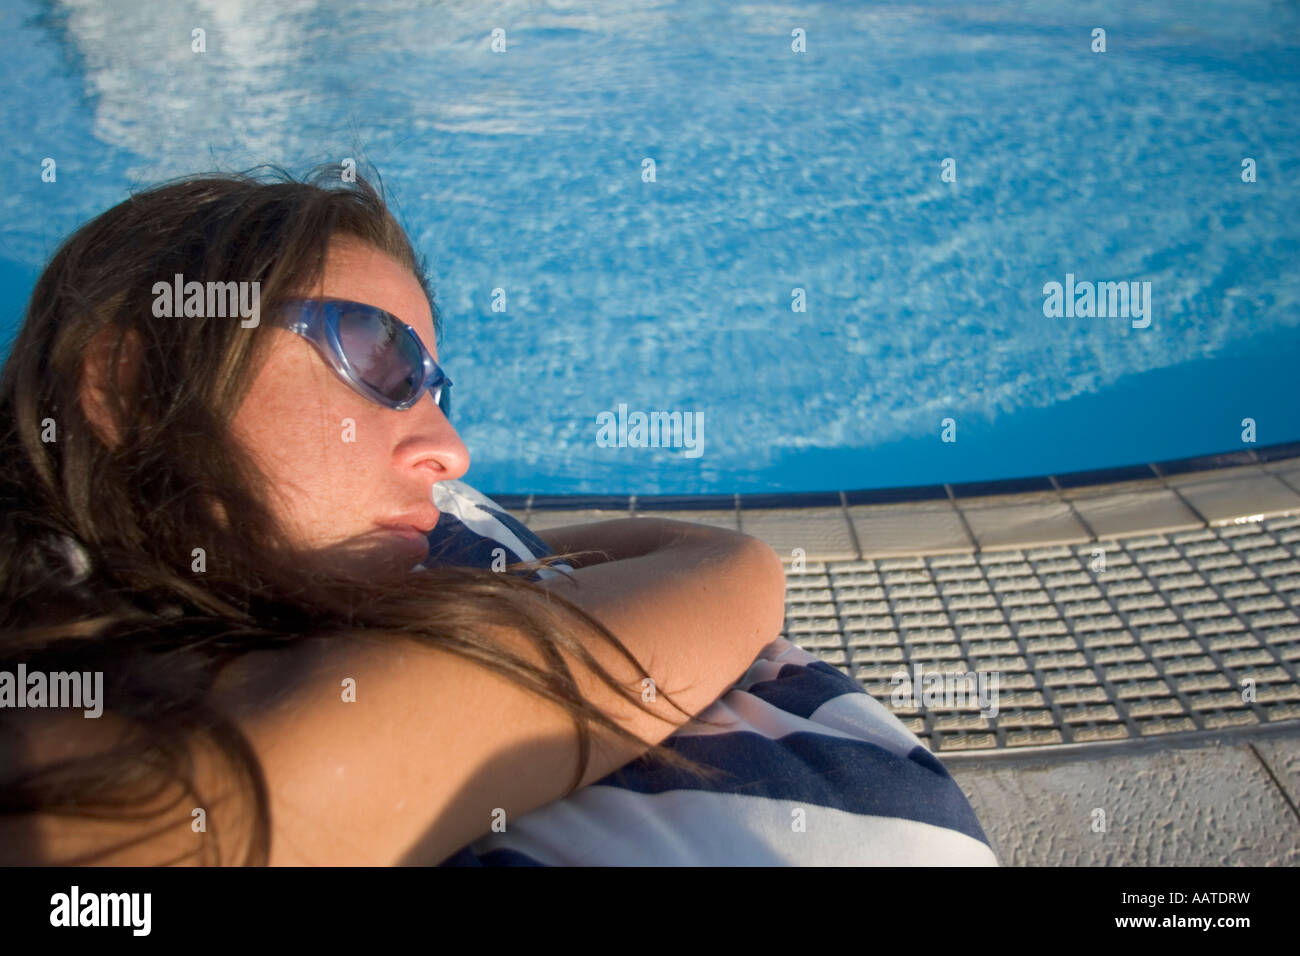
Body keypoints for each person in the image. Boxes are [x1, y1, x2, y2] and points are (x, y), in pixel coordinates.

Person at [0, 167, 788, 865]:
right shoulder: (145, 772)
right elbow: (732, 569)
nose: (451, 452)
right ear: (135, 386)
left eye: (432, 389)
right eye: (378, 357)